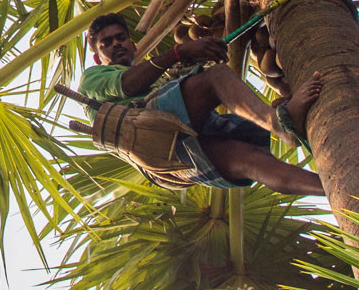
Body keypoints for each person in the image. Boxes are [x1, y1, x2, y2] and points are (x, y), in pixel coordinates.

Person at [78, 11, 325, 196]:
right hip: (150, 138)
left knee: (252, 161)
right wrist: (179, 52)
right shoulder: (94, 77)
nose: (115, 44)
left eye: (120, 38)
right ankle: (280, 123)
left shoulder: (158, 77)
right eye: (106, 43)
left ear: (133, 46)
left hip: (170, 159)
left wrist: (189, 62)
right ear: (97, 57)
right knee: (217, 77)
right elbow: (129, 85)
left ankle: (334, 190)